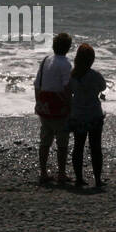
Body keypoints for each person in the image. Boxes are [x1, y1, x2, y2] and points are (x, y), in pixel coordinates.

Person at [34, 31, 74, 185]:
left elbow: (37, 85)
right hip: (59, 107)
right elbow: (66, 87)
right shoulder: (65, 64)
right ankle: (61, 173)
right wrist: (70, 106)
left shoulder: (46, 60)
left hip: (44, 105)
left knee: (45, 141)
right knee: (62, 143)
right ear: (68, 48)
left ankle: (43, 172)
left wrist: (38, 102)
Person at [67, 43, 107, 189]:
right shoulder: (95, 75)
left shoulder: (72, 75)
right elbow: (103, 87)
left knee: (78, 146)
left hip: (78, 115)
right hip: (94, 115)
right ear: (91, 60)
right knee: (96, 147)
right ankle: (97, 179)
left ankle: (79, 178)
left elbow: (68, 91)